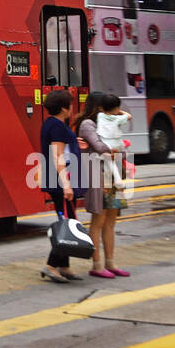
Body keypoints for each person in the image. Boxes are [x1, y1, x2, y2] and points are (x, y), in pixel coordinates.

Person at [73, 92, 129, 279]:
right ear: (99, 108)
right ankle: (97, 265)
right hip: (98, 176)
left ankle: (110, 263)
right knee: (99, 220)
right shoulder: (88, 125)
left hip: (113, 176)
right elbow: (100, 147)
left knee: (111, 221)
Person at [39, 89, 83, 283]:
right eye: (70, 105)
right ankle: (50, 265)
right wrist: (66, 185)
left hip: (56, 180)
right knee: (67, 225)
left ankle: (64, 265)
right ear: (65, 108)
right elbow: (58, 156)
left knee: (68, 221)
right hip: (60, 181)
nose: (72, 108)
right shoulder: (57, 127)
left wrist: (75, 143)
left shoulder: (50, 123)